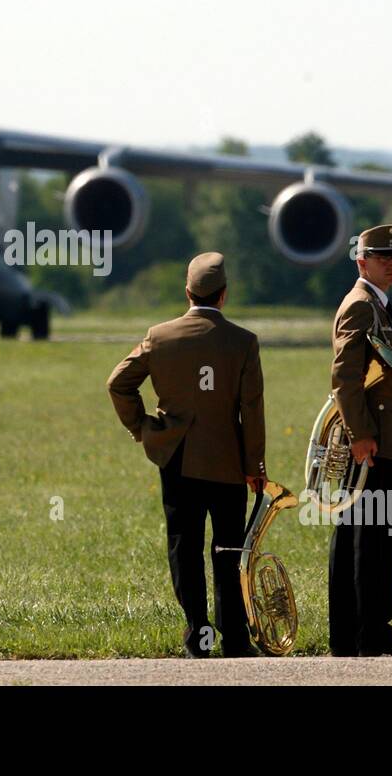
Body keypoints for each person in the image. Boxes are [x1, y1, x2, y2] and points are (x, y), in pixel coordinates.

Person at [107, 252, 266, 658]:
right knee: (229, 550)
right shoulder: (243, 342)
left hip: (176, 457)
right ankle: (235, 638)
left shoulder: (159, 336)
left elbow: (118, 384)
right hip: (228, 461)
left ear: (188, 292)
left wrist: (140, 427)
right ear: (224, 294)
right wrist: (255, 467)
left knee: (185, 547)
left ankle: (198, 634)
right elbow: (252, 409)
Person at [327, 224, 392, 657]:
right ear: (361, 261)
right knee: (370, 540)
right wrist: (360, 434)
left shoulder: (375, 304)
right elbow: (344, 378)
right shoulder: (362, 306)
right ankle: (367, 632)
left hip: (381, 441)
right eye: (383, 257)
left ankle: (361, 632)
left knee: (372, 536)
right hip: (372, 444)